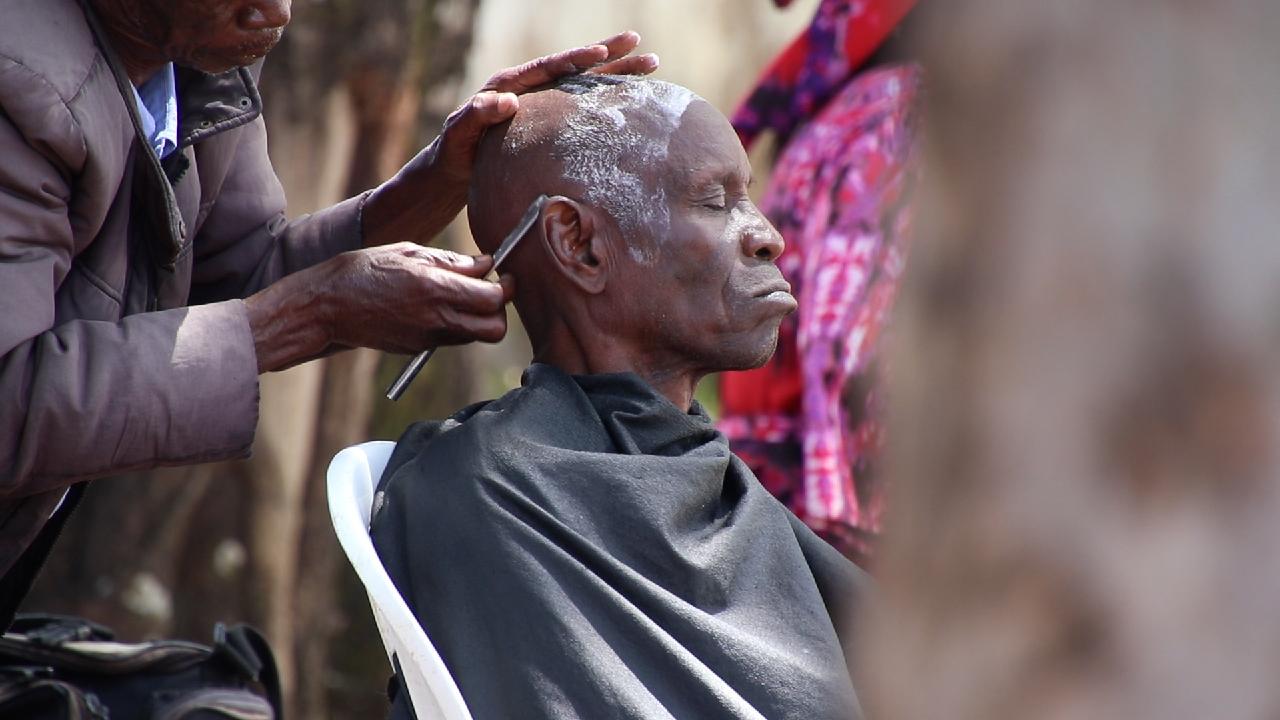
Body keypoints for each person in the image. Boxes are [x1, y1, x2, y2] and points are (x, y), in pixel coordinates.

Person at [0, 0, 656, 594]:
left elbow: (236, 274)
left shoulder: (194, 51)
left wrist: (443, 176)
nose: (277, 11)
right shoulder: (21, 85)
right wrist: (316, 312)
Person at [371, 75, 867, 720]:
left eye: (748, 197)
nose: (766, 234)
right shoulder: (485, 492)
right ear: (577, 244)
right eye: (716, 203)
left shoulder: (705, 478)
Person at [717, 0, 922, 565]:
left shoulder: (869, 109)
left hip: (795, 506)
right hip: (832, 521)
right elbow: (847, 351)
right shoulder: (894, 115)